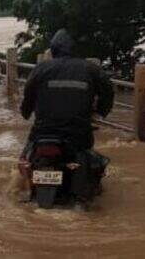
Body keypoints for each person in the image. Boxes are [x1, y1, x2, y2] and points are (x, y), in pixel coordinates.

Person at [19, 29, 114, 203]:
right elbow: (108, 89)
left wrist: (26, 112)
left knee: (25, 156)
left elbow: (28, 96)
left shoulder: (40, 69)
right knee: (90, 158)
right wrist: (101, 110)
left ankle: (27, 185)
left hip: (43, 133)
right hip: (77, 133)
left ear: (53, 50)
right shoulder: (90, 68)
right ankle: (82, 192)